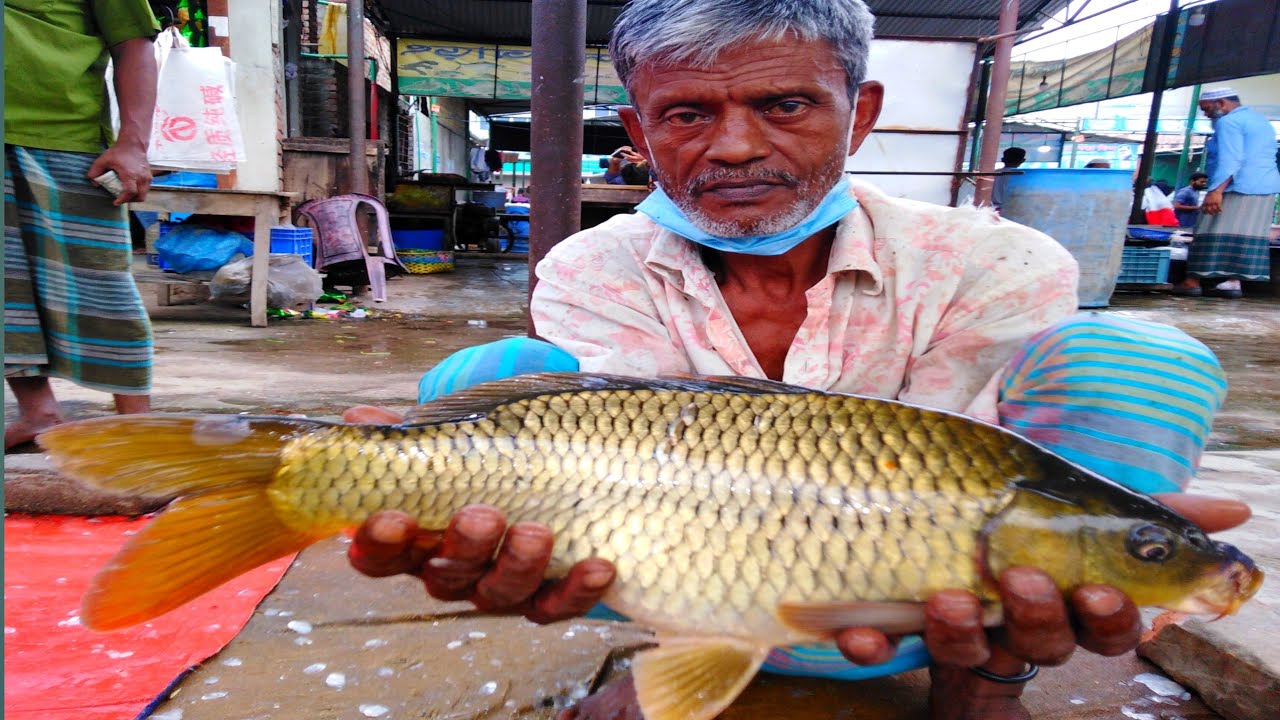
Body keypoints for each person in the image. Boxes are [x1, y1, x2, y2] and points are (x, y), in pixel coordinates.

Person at [345, 2, 1250, 718]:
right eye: (688, 113)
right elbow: (638, 487)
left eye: (784, 104)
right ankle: (689, 651)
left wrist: (1122, 531)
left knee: (1138, 356)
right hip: (686, 557)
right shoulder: (594, 265)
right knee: (481, 384)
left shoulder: (996, 259)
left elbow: (969, 465)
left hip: (936, 585)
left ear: (859, 114)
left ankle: (987, 674)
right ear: (639, 127)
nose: (735, 146)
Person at [4, 0, 160, 450]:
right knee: (7, 298)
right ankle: (38, 412)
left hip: (65, 140)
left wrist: (132, 142)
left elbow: (133, 44)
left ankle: (137, 428)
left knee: (99, 286)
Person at [1174, 87, 1280, 299]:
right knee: (1246, 235)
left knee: (1207, 230)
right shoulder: (1261, 121)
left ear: (1221, 103)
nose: (1206, 115)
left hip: (1236, 186)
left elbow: (1231, 158)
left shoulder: (1228, 122)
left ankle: (1192, 281)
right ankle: (1233, 282)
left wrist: (1216, 191)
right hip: (1265, 187)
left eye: (1206, 110)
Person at [990, 147, 1026, 212]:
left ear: (1002, 159)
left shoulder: (991, 174)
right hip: (1013, 210)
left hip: (992, 209)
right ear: (1023, 160)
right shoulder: (1023, 176)